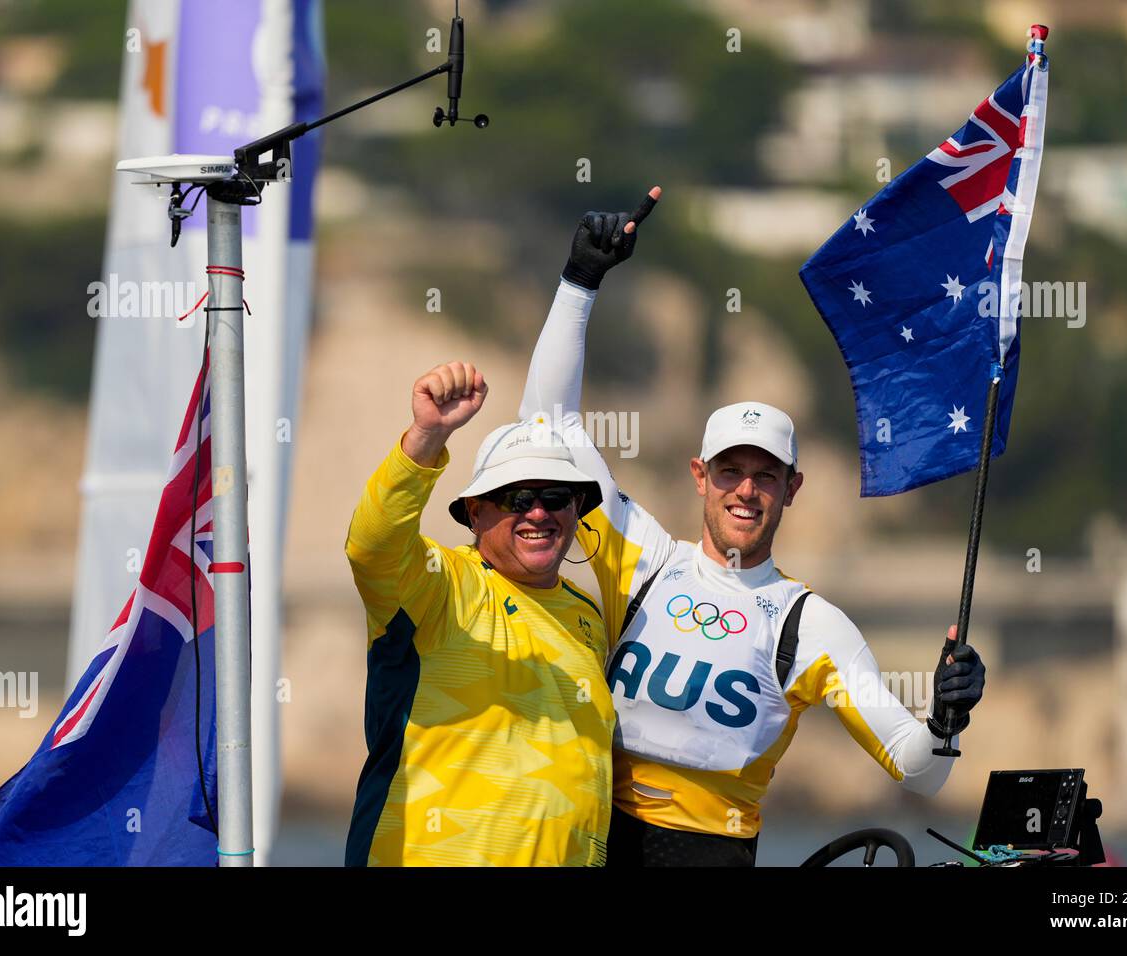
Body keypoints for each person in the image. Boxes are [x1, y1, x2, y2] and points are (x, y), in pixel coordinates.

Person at [517, 188, 987, 866]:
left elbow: (920, 771)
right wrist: (579, 282)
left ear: (792, 489)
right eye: (730, 472)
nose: (746, 490)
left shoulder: (812, 626)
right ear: (699, 475)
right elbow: (546, 429)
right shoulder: (641, 556)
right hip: (592, 838)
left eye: (765, 476)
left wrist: (946, 720)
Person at [344, 360, 616, 866]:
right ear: (475, 512)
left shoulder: (587, 618)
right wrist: (426, 436)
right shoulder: (440, 585)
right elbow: (372, 546)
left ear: (577, 507)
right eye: (517, 497)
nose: (538, 512)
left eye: (555, 496)